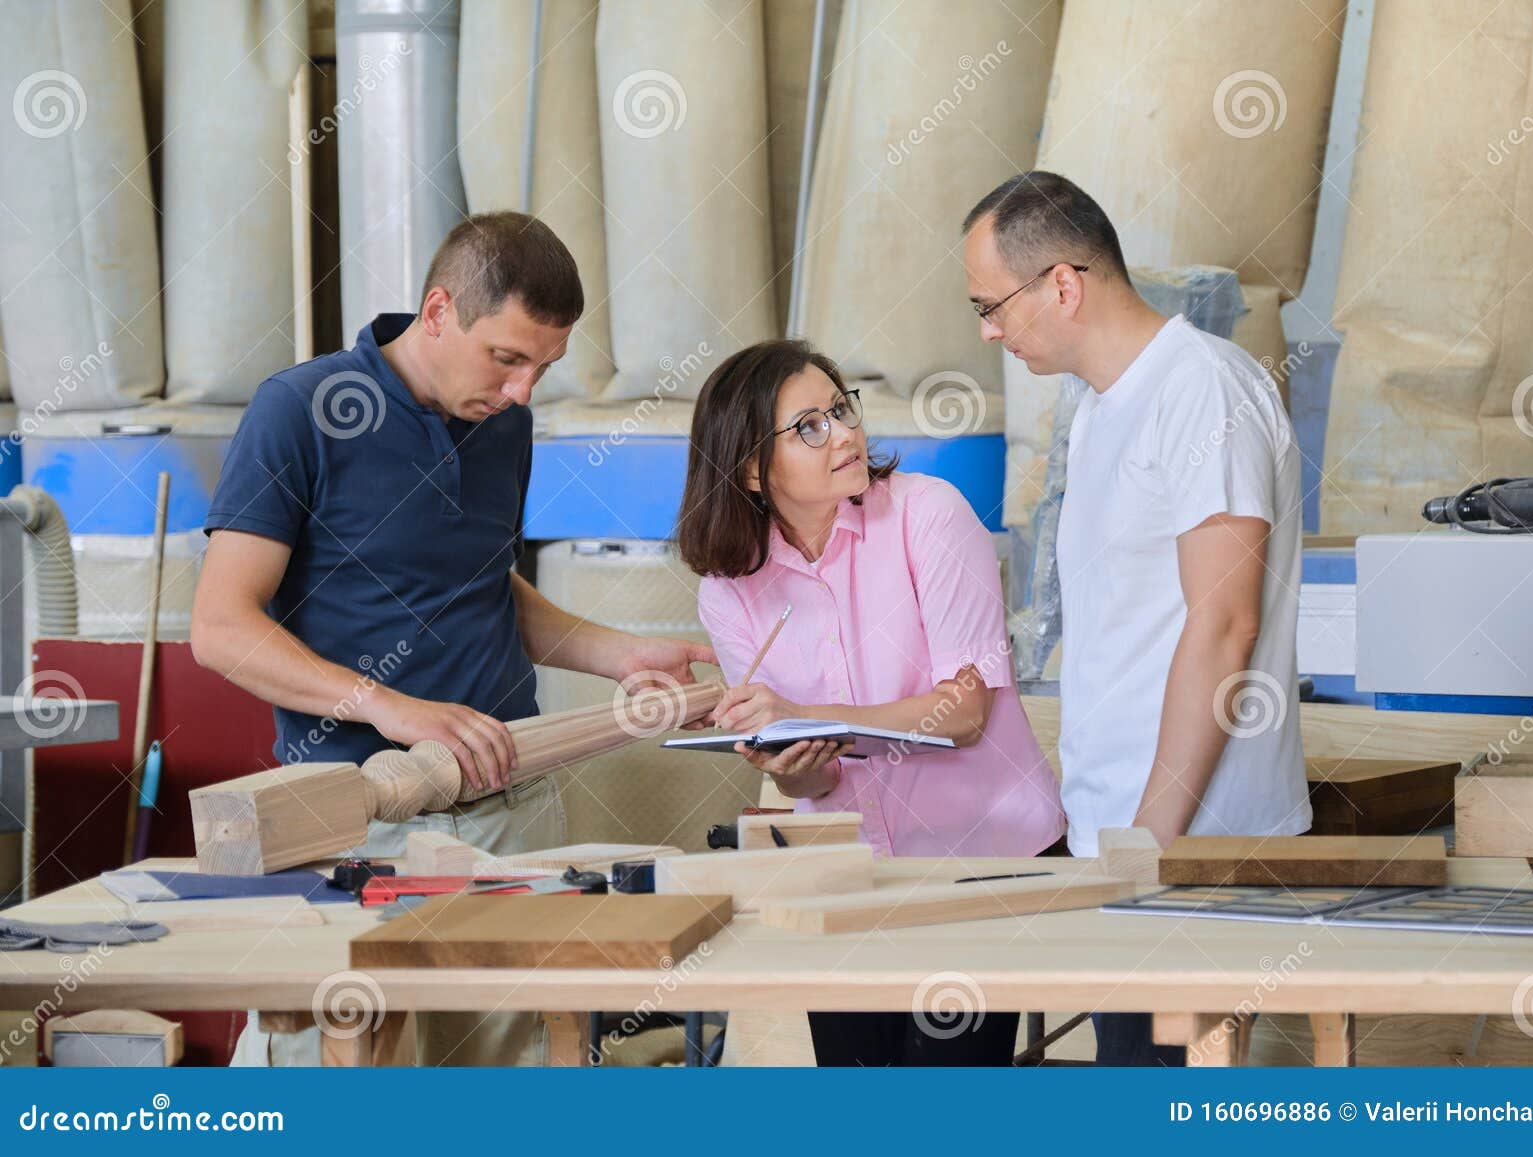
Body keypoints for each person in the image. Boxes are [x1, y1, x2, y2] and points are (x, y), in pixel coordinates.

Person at [192, 211, 713, 1065]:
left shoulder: (503, 421)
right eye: (507, 357)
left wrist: (617, 652)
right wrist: (393, 709)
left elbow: (481, 584)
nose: (521, 391)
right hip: (360, 823)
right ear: (437, 311)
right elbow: (220, 627)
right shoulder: (302, 410)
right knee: (344, 1084)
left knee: (509, 1096)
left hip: (518, 807)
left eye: (543, 367)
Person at [962, 171, 1311, 1066]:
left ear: (1064, 285)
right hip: (1127, 845)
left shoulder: (1204, 390)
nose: (989, 331)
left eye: (992, 306)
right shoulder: (1098, 411)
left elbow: (1224, 622)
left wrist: (1152, 843)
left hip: (1193, 852)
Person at [677, 338, 1066, 1066]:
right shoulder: (728, 589)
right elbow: (814, 780)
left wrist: (808, 714)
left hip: (981, 863)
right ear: (752, 469)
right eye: (811, 426)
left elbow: (963, 712)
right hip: (850, 875)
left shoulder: (929, 516)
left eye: (841, 408)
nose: (847, 432)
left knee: (946, 1111)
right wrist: (789, 758)